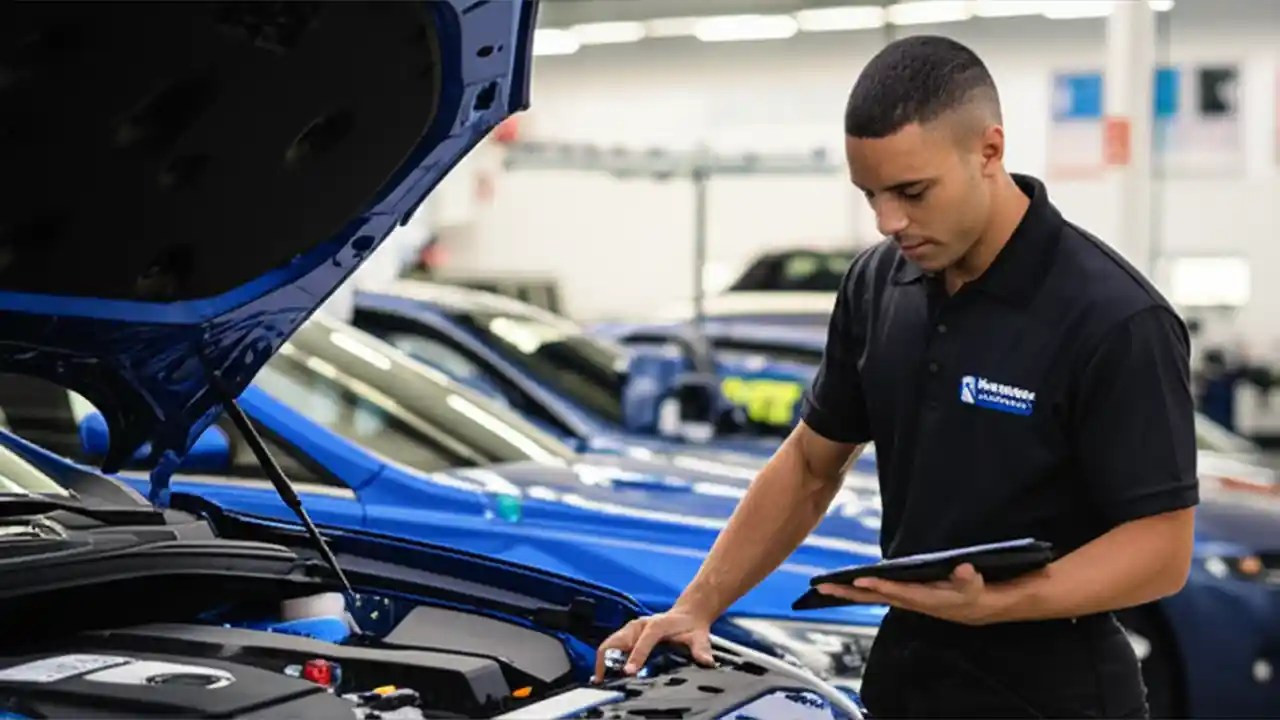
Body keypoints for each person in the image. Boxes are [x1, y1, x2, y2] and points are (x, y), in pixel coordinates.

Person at [593, 35, 1198, 719]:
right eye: (870, 194)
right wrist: (697, 606)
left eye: (912, 192)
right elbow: (810, 466)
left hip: (1054, 693)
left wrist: (998, 603)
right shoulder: (879, 284)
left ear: (990, 152)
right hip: (907, 678)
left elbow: (1161, 548)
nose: (889, 222)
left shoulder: (1113, 316)